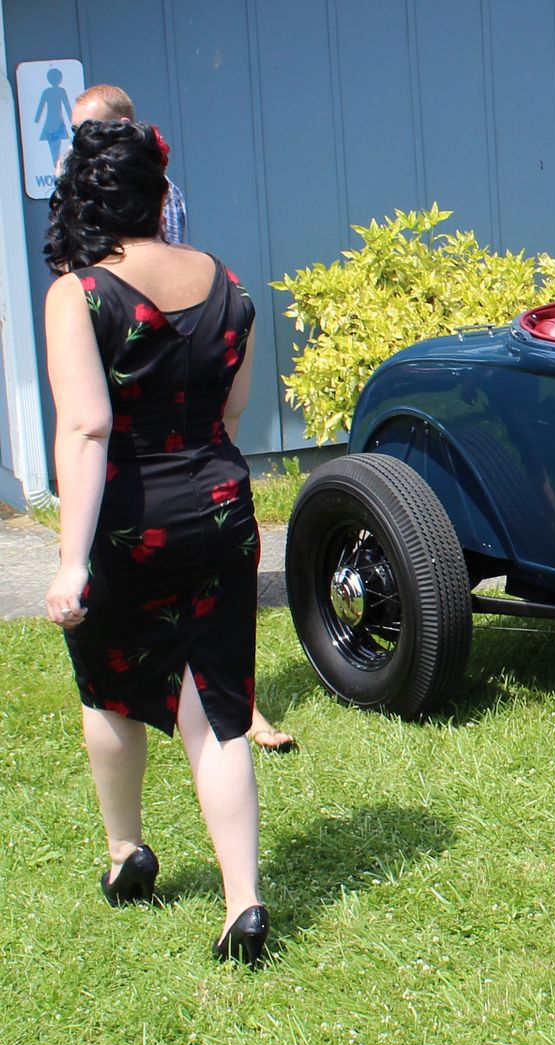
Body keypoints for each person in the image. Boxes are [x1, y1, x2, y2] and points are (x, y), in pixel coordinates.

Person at [43, 119, 268, 966]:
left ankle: (126, 851)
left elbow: (87, 430)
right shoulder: (230, 285)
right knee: (216, 708)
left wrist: (69, 562)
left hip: (130, 526)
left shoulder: (81, 293)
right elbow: (236, 412)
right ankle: (243, 902)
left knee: (110, 691)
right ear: (157, 192)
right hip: (220, 508)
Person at [69, 85, 295, 753]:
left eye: (92, 131)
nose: (83, 145)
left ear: (126, 130)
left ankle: (227, 717)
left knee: (195, 633)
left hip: (159, 406)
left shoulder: (154, 201)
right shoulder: (83, 213)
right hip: (155, 417)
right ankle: (210, 716)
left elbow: (168, 284)